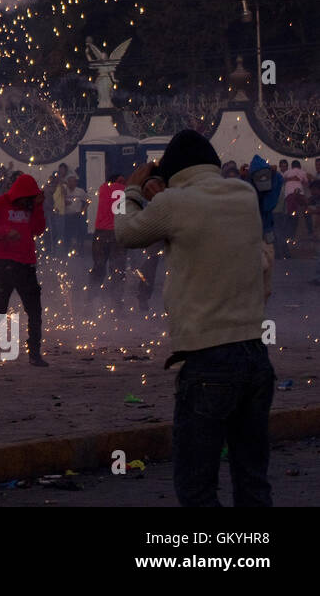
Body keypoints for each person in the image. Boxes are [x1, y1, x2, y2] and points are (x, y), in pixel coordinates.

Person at [115, 130, 274, 507]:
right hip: (255, 356)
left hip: (208, 363)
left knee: (196, 487)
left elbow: (126, 233)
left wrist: (135, 192)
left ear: (173, 173)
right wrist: (166, 195)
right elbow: (205, 224)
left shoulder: (173, 203)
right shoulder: (244, 195)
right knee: (252, 483)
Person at [0, 173, 48, 365]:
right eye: (26, 198)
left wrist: (38, 207)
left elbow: (38, 229)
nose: (27, 202)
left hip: (26, 264)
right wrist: (6, 233)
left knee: (34, 311)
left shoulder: (32, 206)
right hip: (3, 264)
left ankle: (34, 354)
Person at [87, 172, 129, 305]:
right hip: (118, 233)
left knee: (99, 266)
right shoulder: (125, 190)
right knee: (118, 269)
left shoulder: (103, 188)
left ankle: (91, 299)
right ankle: (117, 303)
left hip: (101, 233)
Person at [60, 173, 88, 258]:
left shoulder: (80, 191)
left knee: (79, 232)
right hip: (67, 215)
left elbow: (87, 201)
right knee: (67, 233)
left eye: (73, 182)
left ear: (76, 183)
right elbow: (58, 201)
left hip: (77, 215)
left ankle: (80, 249)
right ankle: (67, 250)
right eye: (69, 182)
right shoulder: (64, 190)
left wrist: (83, 209)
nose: (71, 183)